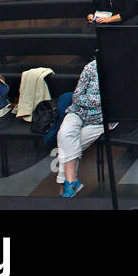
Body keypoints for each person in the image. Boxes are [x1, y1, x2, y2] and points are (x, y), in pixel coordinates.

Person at [55, 57, 105, 197]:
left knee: (69, 145)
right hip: (78, 112)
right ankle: (71, 182)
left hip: (102, 120)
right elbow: (76, 97)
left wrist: (89, 99)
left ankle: (66, 186)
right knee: (64, 135)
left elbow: (117, 101)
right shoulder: (91, 67)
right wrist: (99, 101)